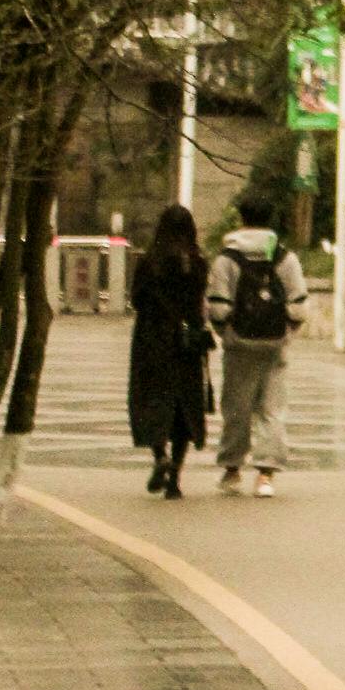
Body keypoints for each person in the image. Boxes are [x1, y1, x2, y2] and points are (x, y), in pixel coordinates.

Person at [206, 191, 308, 496]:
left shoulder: (227, 258)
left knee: (236, 408)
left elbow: (218, 306)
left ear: (242, 219)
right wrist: (286, 331)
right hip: (275, 345)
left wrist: (227, 333)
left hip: (239, 346)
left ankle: (232, 469)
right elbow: (298, 303)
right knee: (272, 408)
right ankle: (266, 476)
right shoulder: (284, 257)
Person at [127, 204, 212, 498]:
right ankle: (175, 475)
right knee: (184, 407)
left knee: (154, 401)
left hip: (152, 341)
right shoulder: (198, 262)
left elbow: (136, 299)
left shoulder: (150, 262)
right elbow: (200, 301)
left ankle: (159, 456)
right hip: (187, 343)